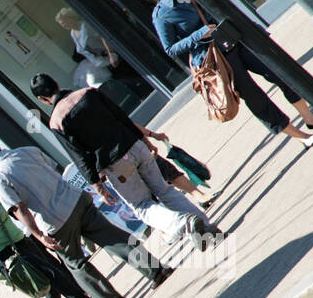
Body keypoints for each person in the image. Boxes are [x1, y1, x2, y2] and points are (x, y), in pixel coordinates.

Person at [135, 0, 313, 147]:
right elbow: (170, 49)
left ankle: (309, 118)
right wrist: (198, 34)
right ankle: (301, 137)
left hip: (237, 40)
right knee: (256, 98)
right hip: (218, 59)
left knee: (281, 74)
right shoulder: (162, 15)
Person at [31, 72, 220, 250]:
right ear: (56, 84)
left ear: (42, 99)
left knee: (142, 206)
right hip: (134, 145)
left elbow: (79, 156)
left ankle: (183, 223)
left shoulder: (56, 121)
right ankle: (207, 229)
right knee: (165, 190)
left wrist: (97, 186)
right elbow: (121, 116)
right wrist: (145, 139)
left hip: (115, 164)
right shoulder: (88, 93)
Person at [0, 136, 170, 293]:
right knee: (114, 237)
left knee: (76, 264)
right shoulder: (27, 150)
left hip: (54, 221)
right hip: (75, 200)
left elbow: (19, 209)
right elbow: (53, 168)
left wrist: (39, 235)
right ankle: (156, 270)